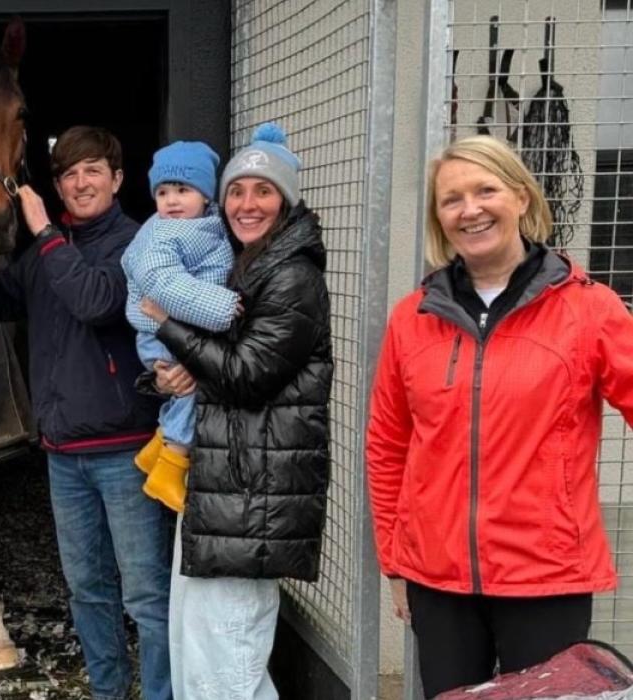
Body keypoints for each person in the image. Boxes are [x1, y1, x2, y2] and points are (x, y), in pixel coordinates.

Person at [366, 135, 633, 698]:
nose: (471, 209)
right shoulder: (411, 320)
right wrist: (395, 562)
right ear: (440, 219)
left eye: (486, 190)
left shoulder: (588, 310)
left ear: (521, 198)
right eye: (452, 199)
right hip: (438, 580)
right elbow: (389, 443)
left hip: (547, 576)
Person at [0, 126, 172, 700]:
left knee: (146, 595)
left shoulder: (139, 244)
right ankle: (107, 691)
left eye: (93, 170)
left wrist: (44, 231)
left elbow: (96, 302)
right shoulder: (48, 253)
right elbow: (7, 302)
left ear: (118, 180)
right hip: (63, 456)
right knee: (87, 590)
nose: (81, 183)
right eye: (70, 174)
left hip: (125, 450)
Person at [142, 123, 332, 700]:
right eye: (237, 191)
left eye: (263, 190)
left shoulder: (292, 275)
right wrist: (174, 368)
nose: (247, 204)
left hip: (253, 499)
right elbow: (222, 359)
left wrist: (166, 324)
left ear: (287, 198)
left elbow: (248, 374)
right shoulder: (247, 264)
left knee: (228, 667)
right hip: (225, 488)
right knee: (204, 658)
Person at [121, 140, 239, 512]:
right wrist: (224, 307)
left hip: (175, 327)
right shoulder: (162, 233)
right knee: (191, 390)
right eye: (162, 191)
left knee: (184, 389)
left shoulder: (207, 225)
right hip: (159, 334)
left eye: (183, 190)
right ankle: (170, 468)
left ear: (206, 195)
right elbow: (164, 285)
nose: (171, 200)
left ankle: (156, 448)